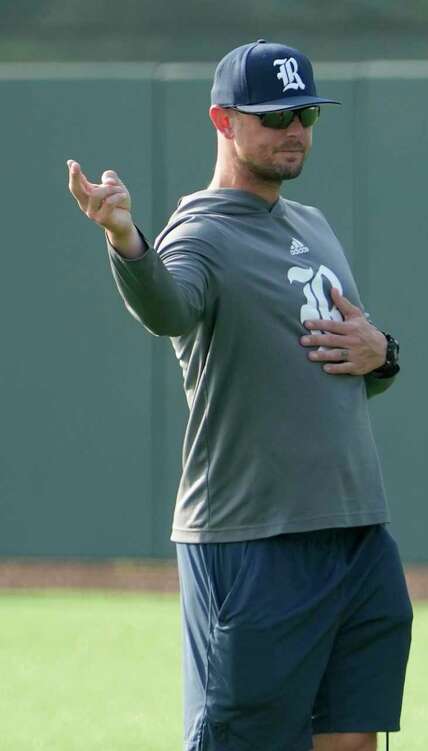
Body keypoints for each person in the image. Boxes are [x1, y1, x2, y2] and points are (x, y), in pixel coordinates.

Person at [67, 40, 410, 751]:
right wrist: (127, 239)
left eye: (306, 113)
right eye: (276, 116)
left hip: (355, 533)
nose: (295, 131)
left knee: (351, 739)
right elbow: (168, 306)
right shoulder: (202, 231)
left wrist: (384, 352)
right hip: (254, 538)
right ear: (223, 121)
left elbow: (344, 359)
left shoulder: (311, 225)